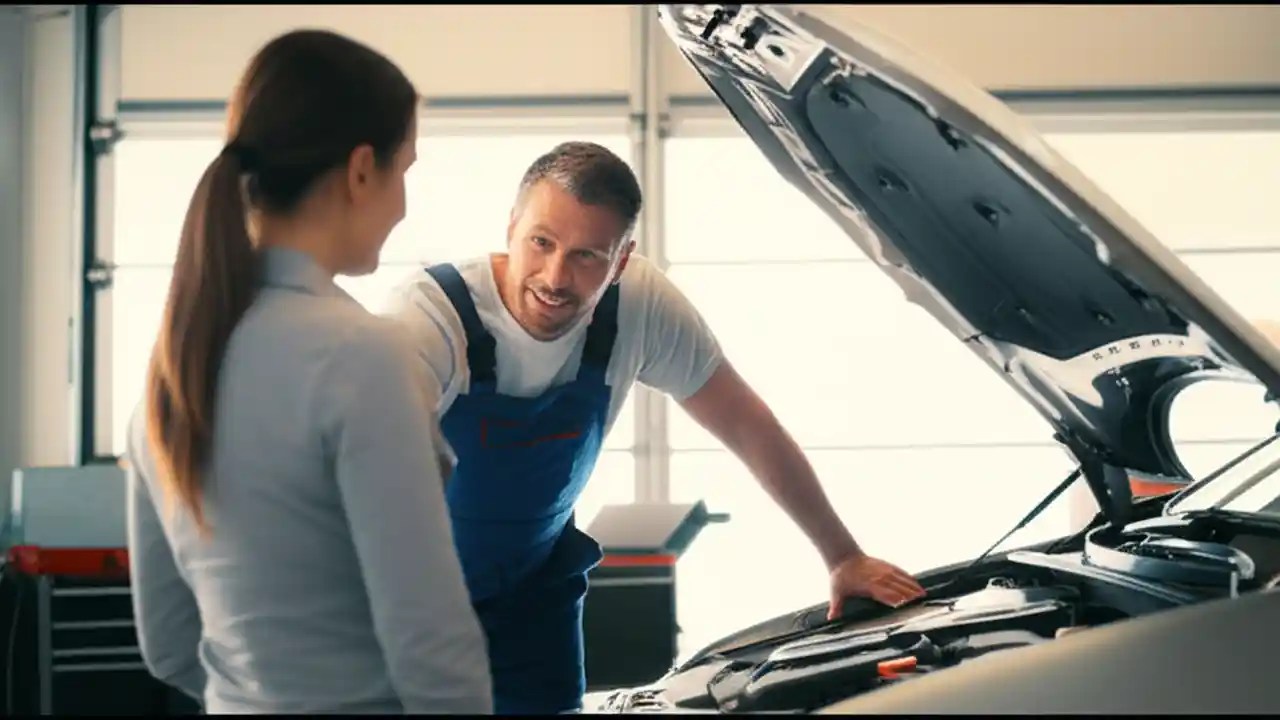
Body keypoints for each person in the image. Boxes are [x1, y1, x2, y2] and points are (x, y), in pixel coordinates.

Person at [383, 140, 927, 714]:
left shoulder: (637, 308)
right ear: (512, 227)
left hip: (532, 596)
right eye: (541, 242)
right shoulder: (429, 317)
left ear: (621, 261)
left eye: (587, 255)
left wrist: (842, 556)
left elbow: (746, 424)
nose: (555, 276)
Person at [124, 29, 492, 714]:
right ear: (361, 170)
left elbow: (168, 646)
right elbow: (433, 652)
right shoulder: (364, 358)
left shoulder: (169, 375)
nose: (403, 203)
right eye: (404, 170)